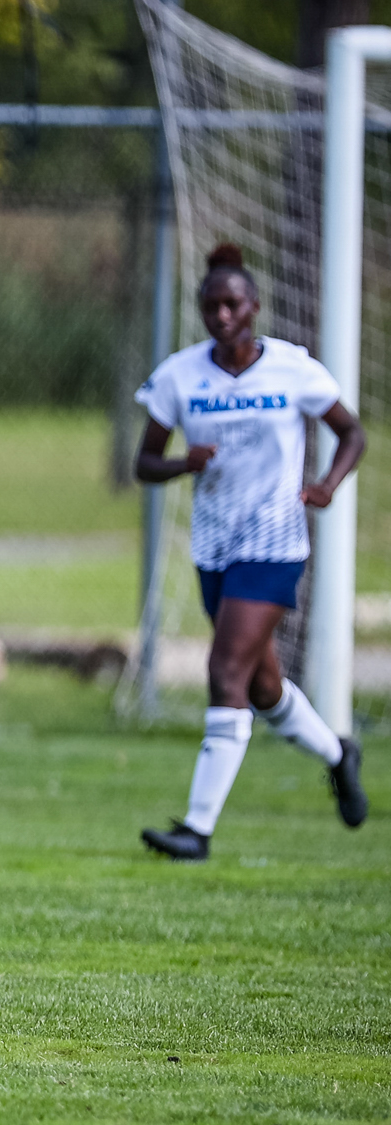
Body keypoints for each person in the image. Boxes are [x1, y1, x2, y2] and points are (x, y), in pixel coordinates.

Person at [136, 243, 367, 862]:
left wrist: (328, 485)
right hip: (214, 544)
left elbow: (352, 432)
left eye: (232, 305)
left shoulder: (292, 368)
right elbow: (144, 463)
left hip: (274, 541)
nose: (222, 315)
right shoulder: (180, 375)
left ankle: (197, 829)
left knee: (225, 672)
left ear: (255, 307)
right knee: (263, 687)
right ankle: (339, 754)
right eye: (211, 306)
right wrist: (184, 462)